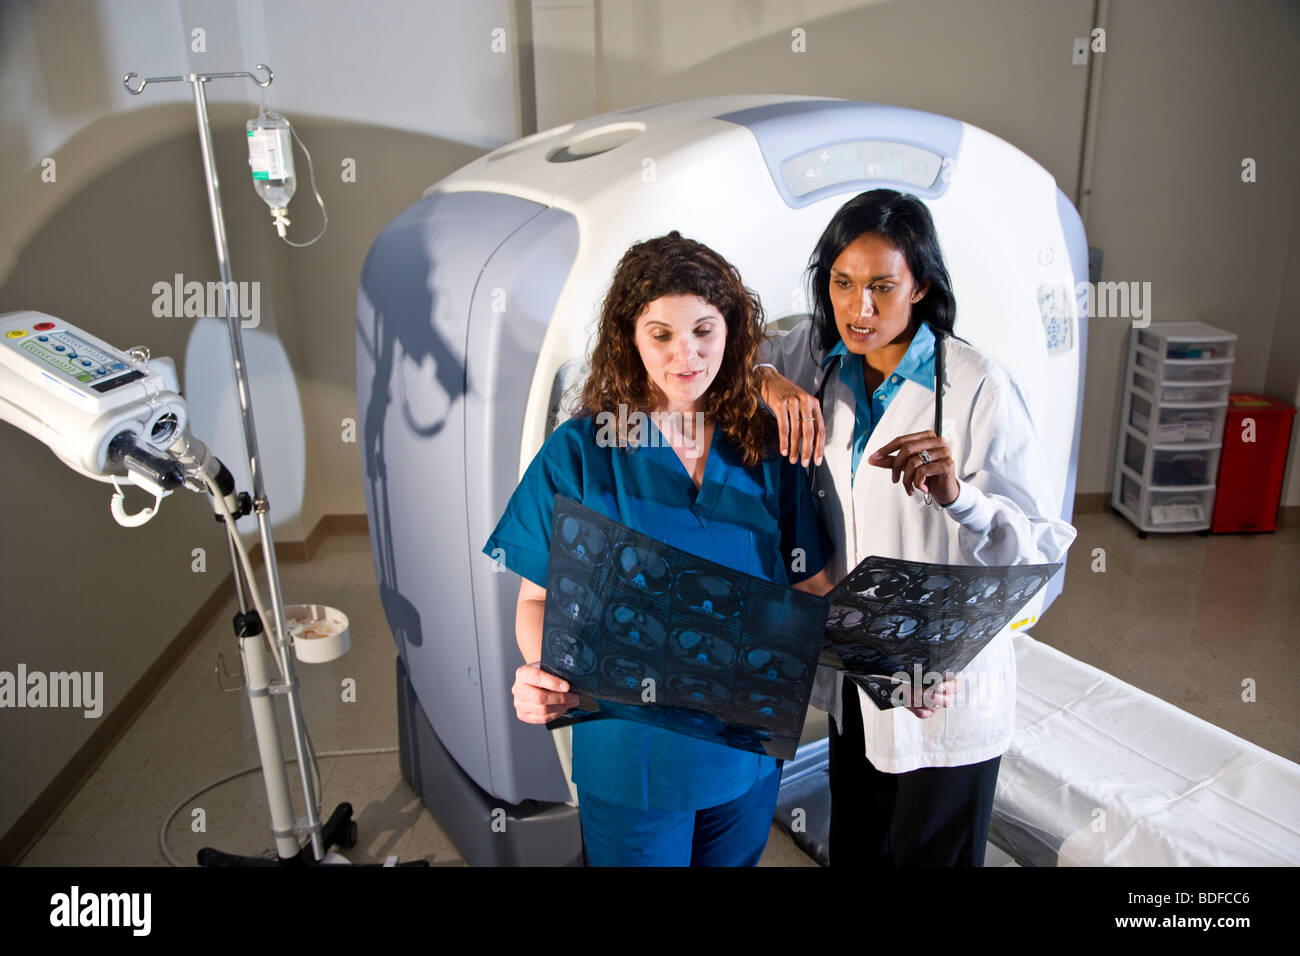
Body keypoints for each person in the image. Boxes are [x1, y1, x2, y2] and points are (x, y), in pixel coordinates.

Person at [483, 231, 833, 866]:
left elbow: (810, 588)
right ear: (629, 337)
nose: (686, 355)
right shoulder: (583, 452)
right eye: (661, 335)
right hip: (632, 750)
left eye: (704, 330)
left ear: (732, 330)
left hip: (748, 742)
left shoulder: (764, 446)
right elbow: (536, 602)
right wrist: (545, 673)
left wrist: (900, 657)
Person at [756, 189, 1077, 866]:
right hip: (856, 666)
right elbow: (713, 357)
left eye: (881, 287)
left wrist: (962, 498)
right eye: (842, 284)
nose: (859, 309)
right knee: (860, 847)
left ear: (921, 286)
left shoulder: (977, 384)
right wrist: (766, 379)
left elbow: (1042, 551)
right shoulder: (815, 358)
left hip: (942, 679)